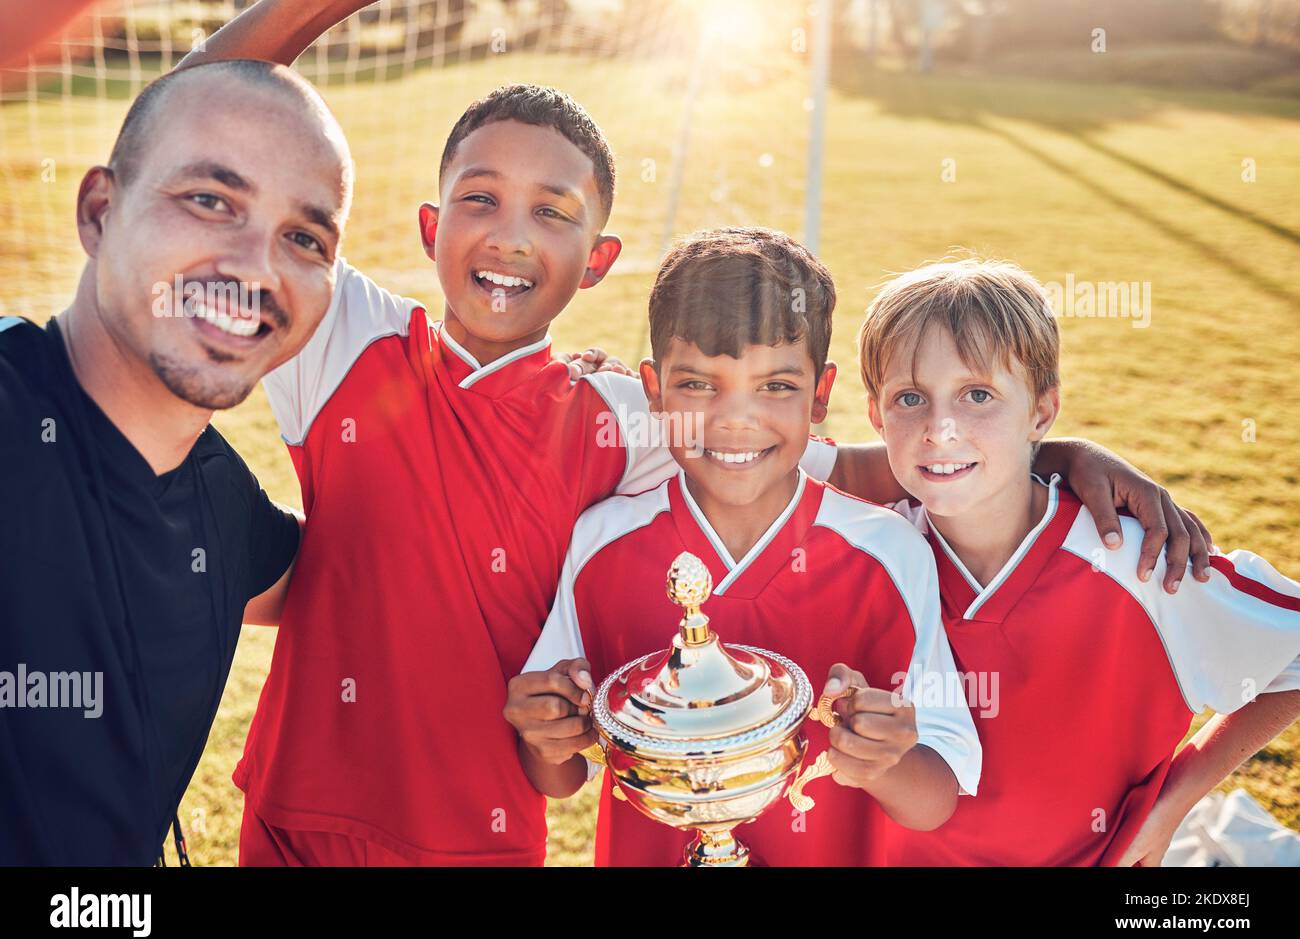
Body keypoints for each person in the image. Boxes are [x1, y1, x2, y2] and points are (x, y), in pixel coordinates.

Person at [188, 2, 1216, 866]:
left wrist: (1061, 459)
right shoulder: (344, 341)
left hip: (484, 833)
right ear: (429, 227)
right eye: (480, 199)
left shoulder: (628, 420)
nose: (508, 233)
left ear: (596, 260)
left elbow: (813, 462)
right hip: (295, 810)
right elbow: (188, 119)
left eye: (552, 211)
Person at [507, 228, 982, 866]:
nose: (735, 419)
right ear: (653, 390)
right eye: (699, 385)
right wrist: (545, 732)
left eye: (776, 386)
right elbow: (562, 778)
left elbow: (935, 798)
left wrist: (883, 760)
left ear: (820, 394)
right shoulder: (602, 542)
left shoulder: (889, 552)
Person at [0, 59, 353, 864]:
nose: (257, 268)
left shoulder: (221, 502)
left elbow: (348, 584)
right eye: (209, 201)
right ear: (99, 210)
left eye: (304, 237)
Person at [853, 258, 1300, 866]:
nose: (941, 428)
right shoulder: (867, 551)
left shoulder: (1135, 560)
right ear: (876, 415)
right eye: (911, 397)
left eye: (977, 394)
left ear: (1041, 411)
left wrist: (1175, 801)